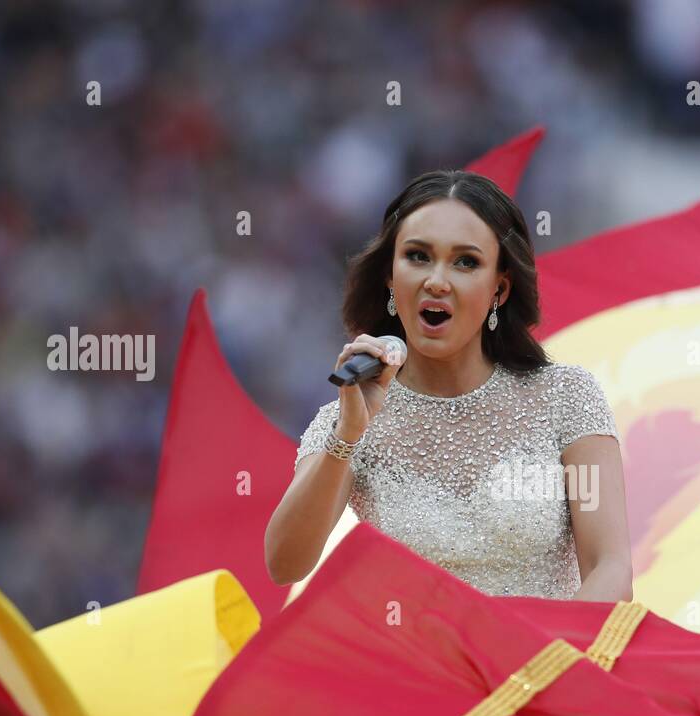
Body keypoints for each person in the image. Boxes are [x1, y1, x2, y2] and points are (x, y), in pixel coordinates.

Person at [264, 170, 633, 601]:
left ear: (500, 287)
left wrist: (545, 664)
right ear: (389, 276)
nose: (437, 280)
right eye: (418, 256)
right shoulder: (346, 422)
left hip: (546, 661)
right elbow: (284, 563)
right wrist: (346, 436)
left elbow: (610, 567)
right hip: (409, 665)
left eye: (466, 262)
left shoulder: (566, 398)